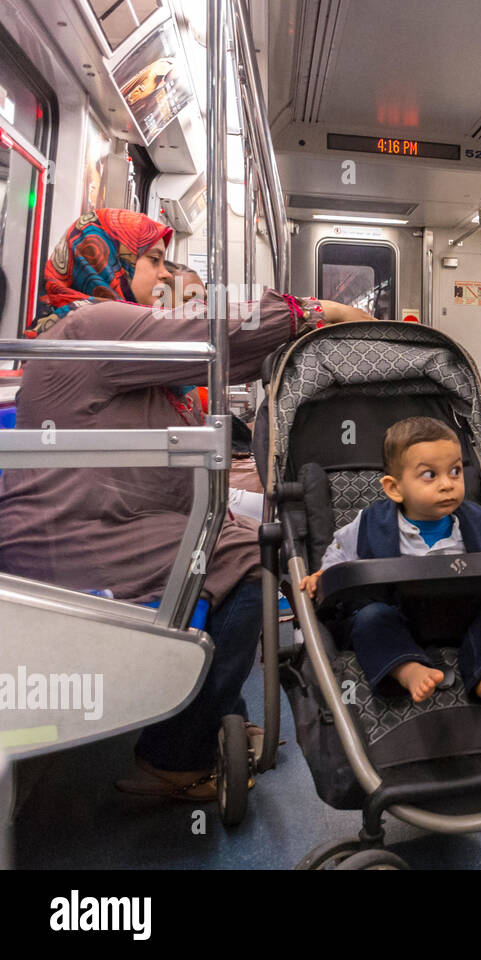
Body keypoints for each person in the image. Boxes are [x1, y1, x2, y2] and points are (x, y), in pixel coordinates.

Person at [0, 208, 376, 801]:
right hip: (74, 533)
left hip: (101, 521)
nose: (163, 273)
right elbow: (215, 335)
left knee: (242, 546)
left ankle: (190, 724)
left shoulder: (93, 329)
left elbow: (219, 352)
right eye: (151, 259)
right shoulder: (94, 324)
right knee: (253, 566)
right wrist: (314, 311)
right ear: (109, 259)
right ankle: (174, 758)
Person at [299, 417, 481, 704]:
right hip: (397, 614)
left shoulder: (477, 522)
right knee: (370, 618)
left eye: (455, 472)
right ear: (394, 488)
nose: (447, 485)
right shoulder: (370, 523)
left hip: (462, 614)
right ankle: (407, 668)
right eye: (430, 475)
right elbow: (340, 553)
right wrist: (323, 574)